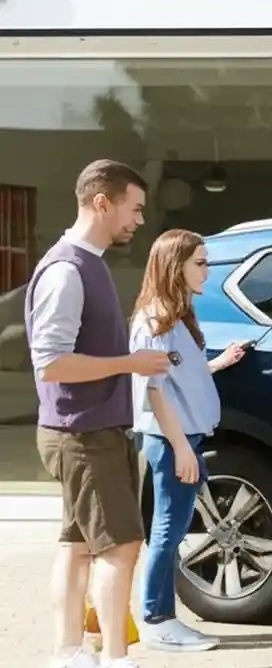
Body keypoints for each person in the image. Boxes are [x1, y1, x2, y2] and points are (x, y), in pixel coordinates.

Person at [25, 159, 174, 668]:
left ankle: (70, 653)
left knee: (78, 544)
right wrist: (130, 363)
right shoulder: (68, 270)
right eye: (133, 209)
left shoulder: (85, 263)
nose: (138, 220)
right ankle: (112, 657)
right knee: (120, 547)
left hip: (81, 430)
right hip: (85, 433)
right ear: (101, 202)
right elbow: (51, 365)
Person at [129, 229, 250, 652]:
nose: (206, 270)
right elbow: (155, 391)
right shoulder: (155, 321)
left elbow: (181, 375)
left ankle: (163, 618)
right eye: (199, 262)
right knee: (167, 531)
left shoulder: (177, 317)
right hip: (171, 441)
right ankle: (156, 618)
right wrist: (181, 447)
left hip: (184, 437)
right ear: (173, 265)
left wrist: (217, 363)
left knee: (173, 529)